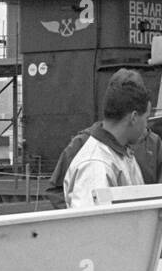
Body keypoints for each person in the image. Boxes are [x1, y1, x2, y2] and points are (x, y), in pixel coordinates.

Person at [63, 71, 150, 208]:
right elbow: (92, 224)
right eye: (146, 118)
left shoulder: (121, 154)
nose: (146, 126)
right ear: (133, 117)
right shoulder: (95, 165)